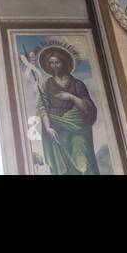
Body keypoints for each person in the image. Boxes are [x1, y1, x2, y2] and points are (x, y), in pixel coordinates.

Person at [26, 46, 99, 174]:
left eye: (57, 62)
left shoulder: (77, 84)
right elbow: (43, 107)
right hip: (56, 128)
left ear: (64, 63)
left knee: (82, 157)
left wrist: (70, 97)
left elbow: (89, 108)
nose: (54, 66)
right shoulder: (47, 84)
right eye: (51, 63)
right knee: (63, 165)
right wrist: (48, 127)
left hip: (77, 128)